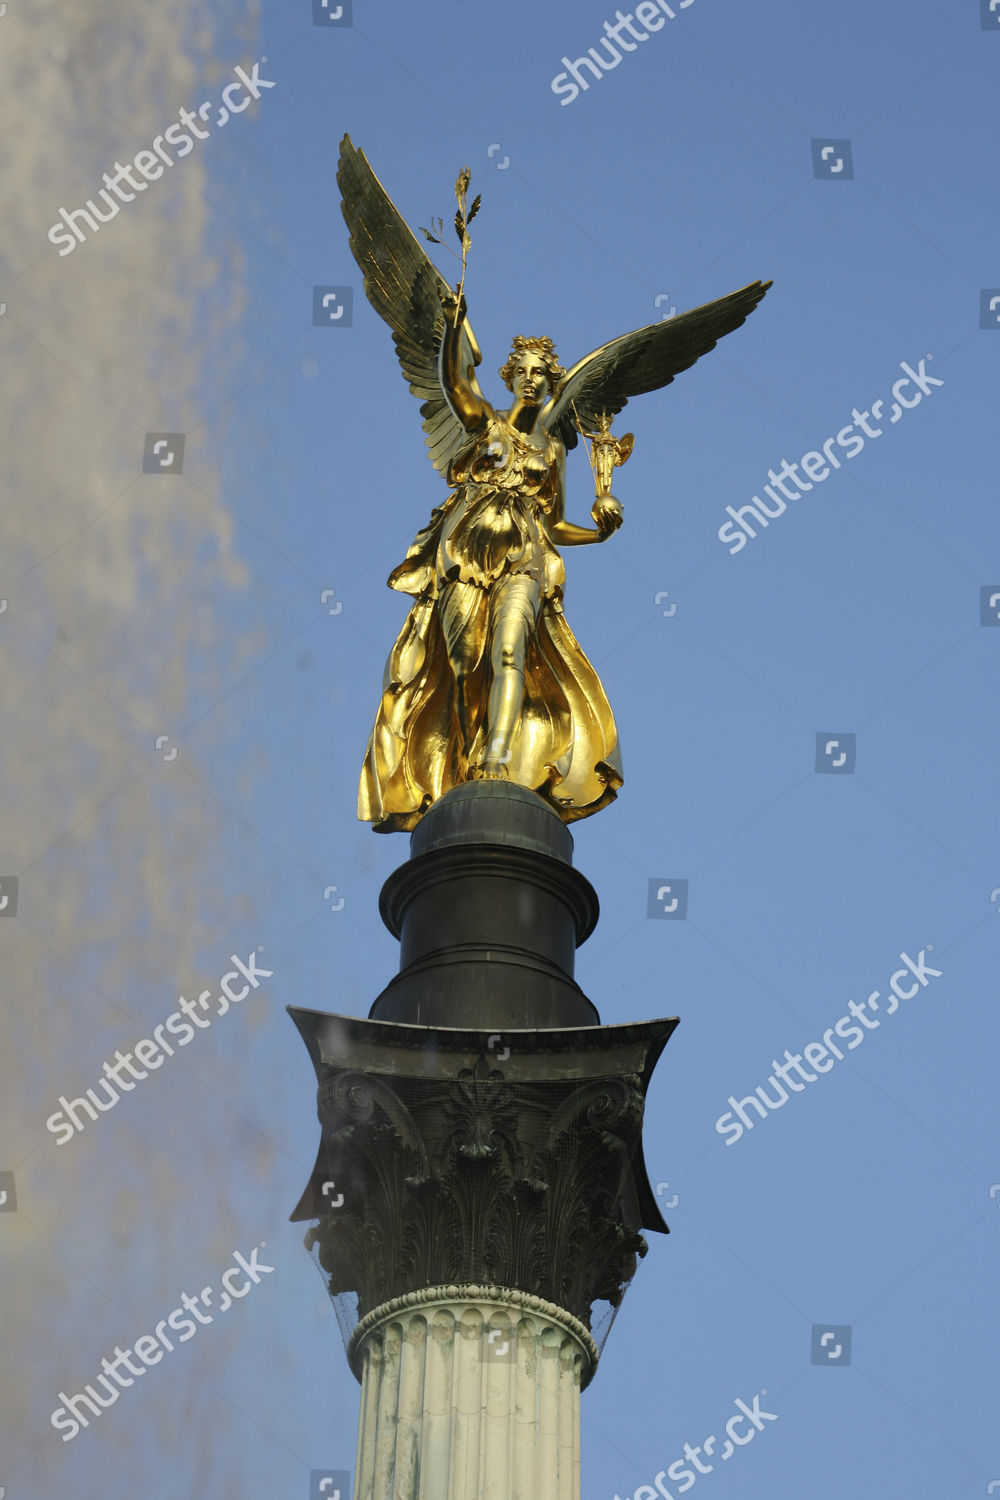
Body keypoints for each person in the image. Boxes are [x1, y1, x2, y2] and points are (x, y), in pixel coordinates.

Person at [358, 292, 624, 832]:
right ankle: (467, 758)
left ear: (551, 382)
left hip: (524, 560)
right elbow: (456, 384)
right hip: (464, 560)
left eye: (539, 373)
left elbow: (554, 525)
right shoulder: (485, 423)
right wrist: (453, 324)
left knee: (509, 652)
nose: (530, 379)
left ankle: (497, 761)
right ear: (508, 377)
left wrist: (598, 532)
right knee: (464, 670)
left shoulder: (551, 450)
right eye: (521, 371)